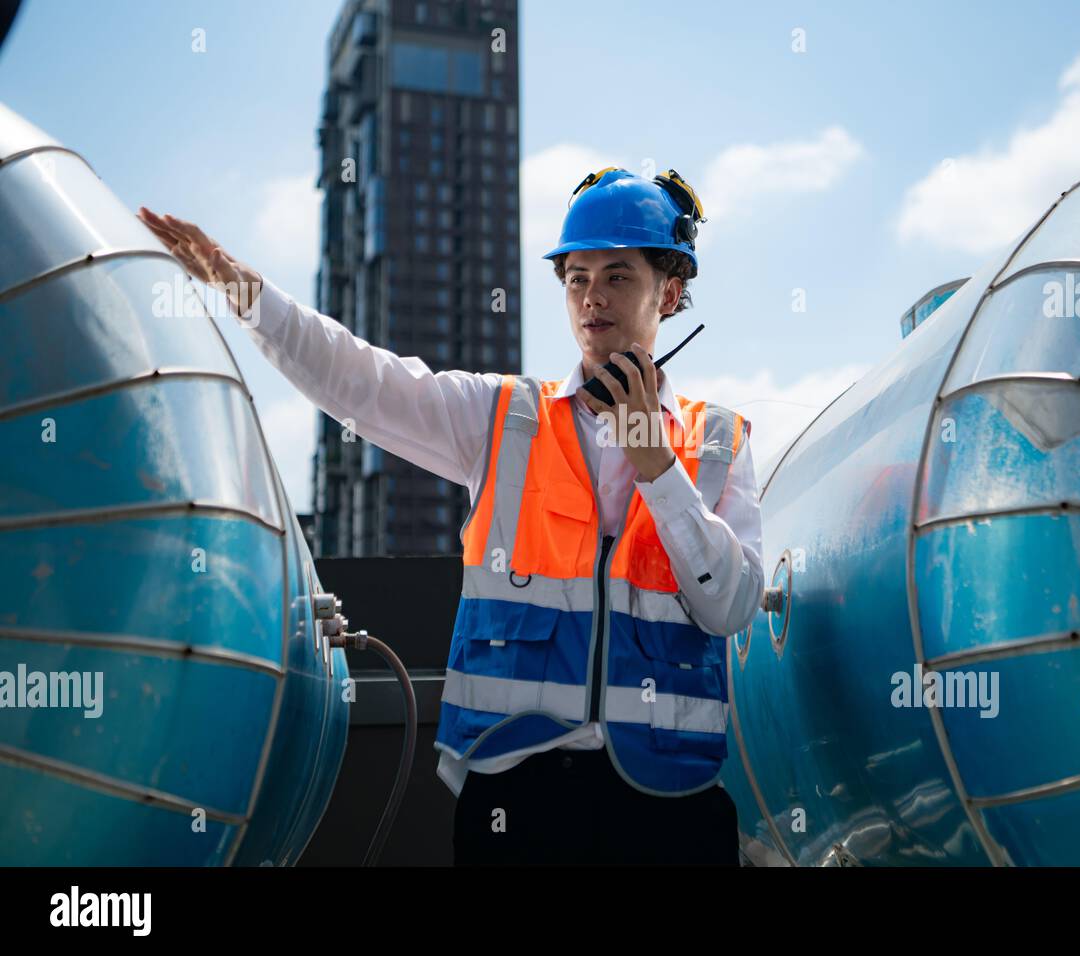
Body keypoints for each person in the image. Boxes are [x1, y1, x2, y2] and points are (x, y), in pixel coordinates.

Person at [137, 166, 763, 866]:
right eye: (576, 277)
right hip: (518, 801)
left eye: (618, 276)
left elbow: (730, 606)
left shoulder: (716, 444)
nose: (592, 298)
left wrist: (658, 468)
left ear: (669, 293)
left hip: (669, 805)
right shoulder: (503, 419)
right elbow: (358, 379)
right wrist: (238, 287)